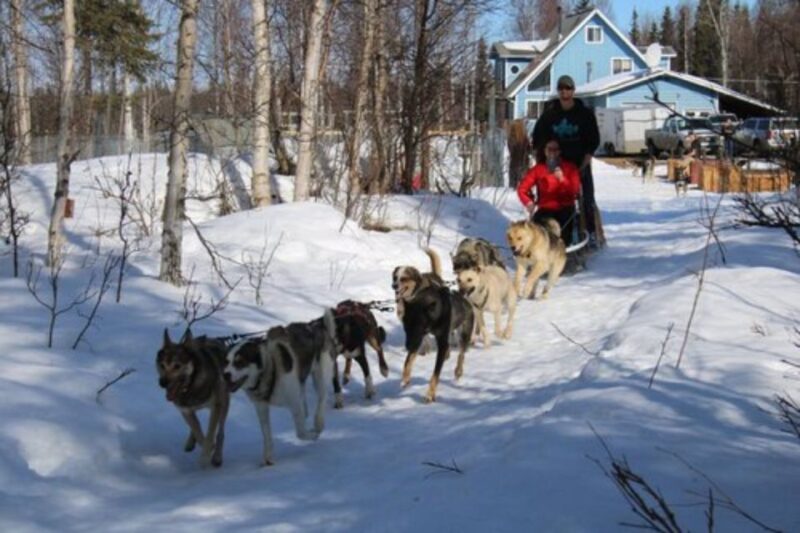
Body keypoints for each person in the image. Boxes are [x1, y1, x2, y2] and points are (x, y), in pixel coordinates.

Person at [532, 75, 601, 247]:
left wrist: (586, 159)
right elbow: (538, 139)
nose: (565, 92)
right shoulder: (549, 115)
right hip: (554, 165)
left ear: (573, 91)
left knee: (585, 198)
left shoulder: (584, 114)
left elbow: (593, 139)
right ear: (558, 91)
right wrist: (542, 160)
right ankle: (549, 234)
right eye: (562, 89)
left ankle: (591, 232)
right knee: (550, 200)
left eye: (568, 88)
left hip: (578, 164)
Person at [517, 138, 581, 246]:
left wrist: (562, 179)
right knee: (537, 231)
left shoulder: (570, 168)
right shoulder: (538, 169)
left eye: (555, 149)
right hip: (545, 209)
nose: (552, 152)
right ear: (545, 151)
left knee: (562, 231)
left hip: (564, 208)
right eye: (549, 149)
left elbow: (575, 191)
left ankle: (562, 251)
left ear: (560, 152)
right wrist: (528, 202)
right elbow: (522, 189)